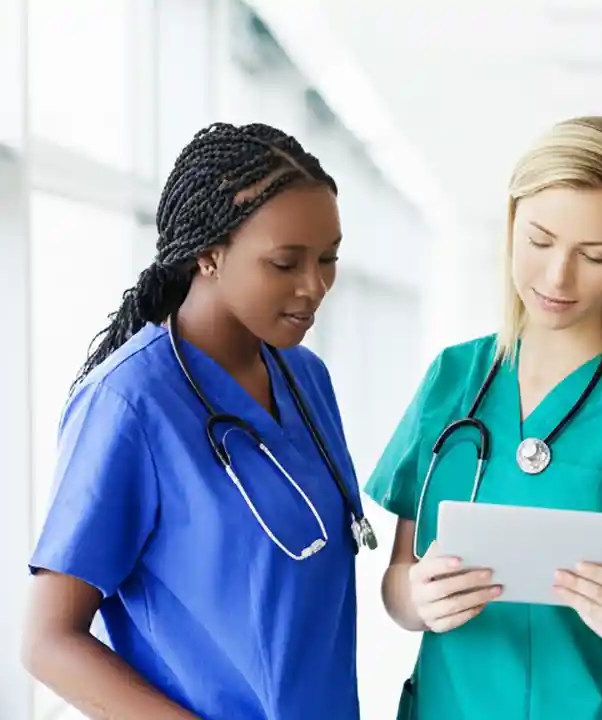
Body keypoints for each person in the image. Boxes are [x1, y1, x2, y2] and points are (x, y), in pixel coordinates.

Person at [365, 115, 602, 719]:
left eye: (594, 255)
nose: (558, 277)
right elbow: (399, 582)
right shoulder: (452, 381)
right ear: (511, 223)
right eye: (539, 241)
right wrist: (417, 597)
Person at [21, 122, 374, 720]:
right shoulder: (131, 403)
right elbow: (48, 642)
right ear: (208, 255)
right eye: (285, 263)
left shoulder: (306, 377)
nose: (314, 286)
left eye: (328, 259)